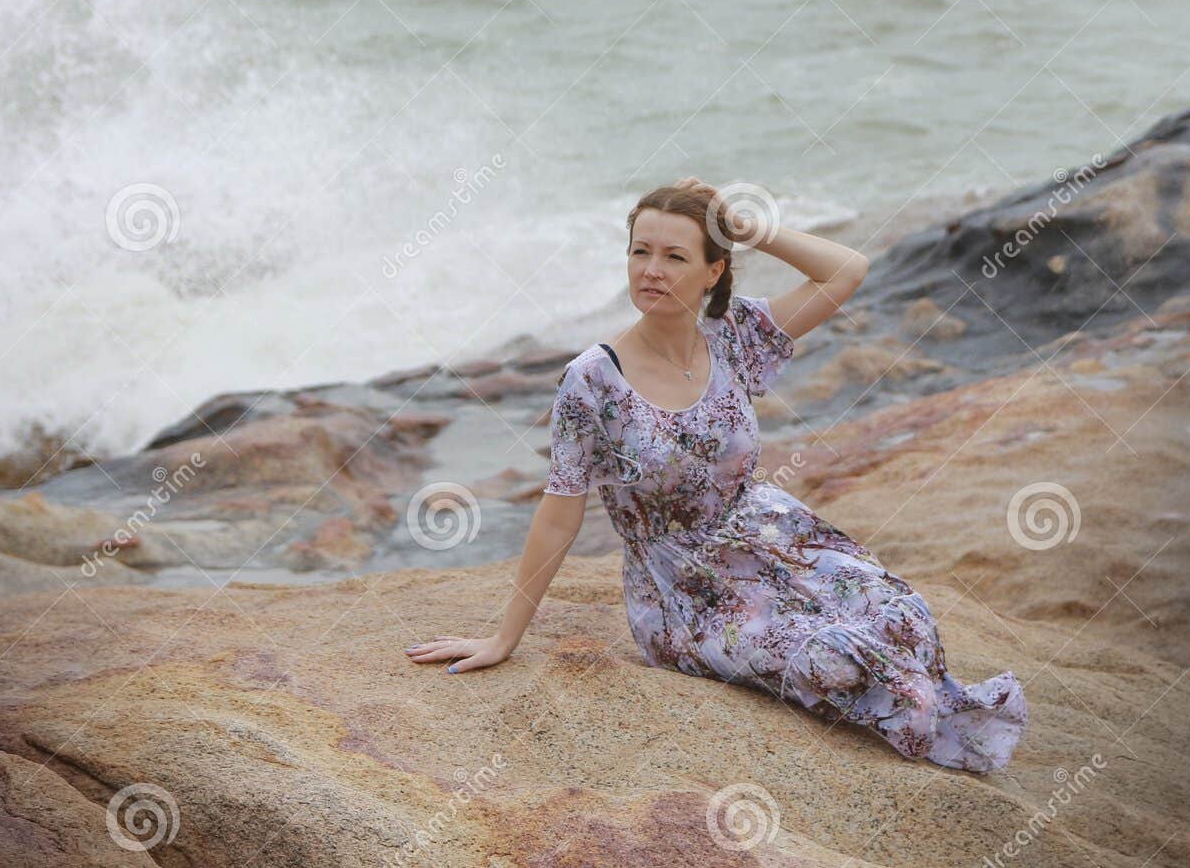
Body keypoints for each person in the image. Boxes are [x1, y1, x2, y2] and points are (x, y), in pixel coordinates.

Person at [404, 178, 1028, 773]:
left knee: (904, 614)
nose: (651, 270)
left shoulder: (734, 335)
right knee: (833, 660)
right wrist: (503, 637)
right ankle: (922, 719)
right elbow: (560, 511)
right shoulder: (592, 380)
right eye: (639, 251)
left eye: (675, 256)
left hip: (773, 537)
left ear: (713, 271)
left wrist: (746, 226)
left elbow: (846, 271)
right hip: (682, 587)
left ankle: (928, 708)